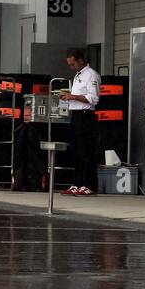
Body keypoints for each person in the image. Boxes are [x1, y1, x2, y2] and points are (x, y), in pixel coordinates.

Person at [60, 48, 101, 196]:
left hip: (86, 115)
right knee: (76, 151)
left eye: (73, 64)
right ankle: (77, 183)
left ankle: (89, 184)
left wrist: (73, 97)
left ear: (80, 60)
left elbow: (94, 98)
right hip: (76, 114)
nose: (72, 67)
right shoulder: (78, 76)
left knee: (86, 151)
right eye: (70, 65)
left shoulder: (92, 76)